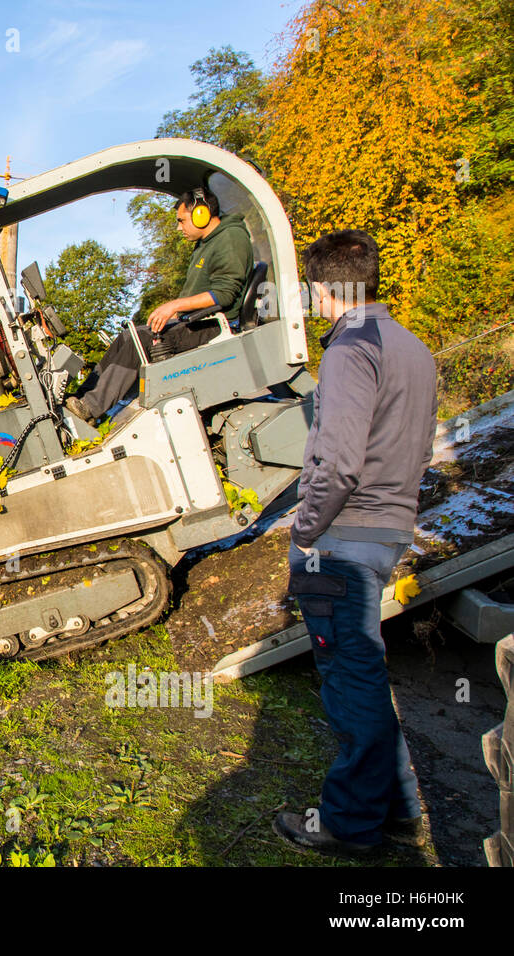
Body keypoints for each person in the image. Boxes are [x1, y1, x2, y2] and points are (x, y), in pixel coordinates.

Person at [272, 229, 437, 858]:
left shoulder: (349, 350)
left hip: (341, 537)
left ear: (326, 288)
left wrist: (307, 530)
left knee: (349, 678)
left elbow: (337, 463)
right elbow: (418, 448)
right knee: (365, 670)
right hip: (389, 527)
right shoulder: (411, 347)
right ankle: (397, 807)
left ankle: (347, 822)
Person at [66, 186, 252, 422]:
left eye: (181, 221)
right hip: (197, 320)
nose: (178, 227)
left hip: (214, 325)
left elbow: (224, 294)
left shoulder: (230, 238)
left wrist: (174, 306)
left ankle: (92, 408)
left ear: (201, 214)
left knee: (142, 341)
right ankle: (82, 400)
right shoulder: (207, 242)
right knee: (128, 336)